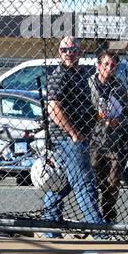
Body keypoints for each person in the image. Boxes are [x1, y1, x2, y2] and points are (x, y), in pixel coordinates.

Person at [42, 36, 105, 235]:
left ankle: (50, 229)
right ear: (59, 52)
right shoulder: (59, 75)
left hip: (78, 137)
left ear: (80, 52)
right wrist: (73, 133)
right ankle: (99, 231)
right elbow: (53, 108)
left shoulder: (79, 74)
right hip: (67, 139)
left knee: (66, 182)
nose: (69, 53)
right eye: (64, 50)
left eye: (73, 50)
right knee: (85, 184)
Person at [87, 49, 128, 223]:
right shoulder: (87, 85)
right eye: (106, 64)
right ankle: (92, 218)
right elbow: (81, 110)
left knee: (112, 184)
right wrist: (98, 117)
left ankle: (109, 217)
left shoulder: (119, 88)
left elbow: (126, 115)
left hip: (113, 142)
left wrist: (117, 122)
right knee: (92, 182)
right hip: (93, 141)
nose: (109, 68)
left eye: (113, 66)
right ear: (98, 65)